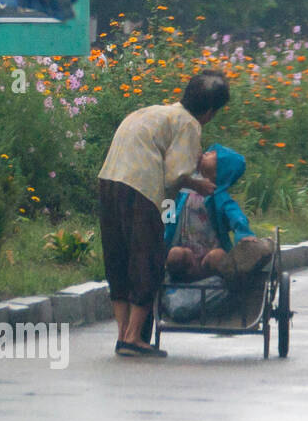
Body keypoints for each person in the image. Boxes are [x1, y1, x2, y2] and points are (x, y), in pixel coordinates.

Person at [97, 71, 230, 357]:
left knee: (118, 258)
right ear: (209, 112)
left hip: (108, 181)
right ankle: (133, 337)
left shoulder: (155, 112)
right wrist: (200, 185)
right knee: (147, 258)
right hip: (139, 187)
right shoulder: (189, 124)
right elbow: (175, 175)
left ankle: (123, 335)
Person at [164, 145, 271, 280]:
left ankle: (216, 281)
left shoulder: (218, 196)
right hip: (187, 256)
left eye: (211, 154)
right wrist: (162, 232)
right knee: (175, 254)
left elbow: (235, 214)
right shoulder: (185, 191)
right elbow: (169, 211)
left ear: (218, 171)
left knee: (217, 257)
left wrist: (243, 232)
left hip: (209, 256)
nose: (207, 152)